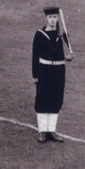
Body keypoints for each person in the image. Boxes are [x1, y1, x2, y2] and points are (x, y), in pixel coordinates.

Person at [32, 7, 74, 143]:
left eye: (55, 17)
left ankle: (51, 130)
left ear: (58, 19)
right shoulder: (39, 34)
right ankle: (42, 131)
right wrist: (35, 75)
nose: (52, 20)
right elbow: (35, 56)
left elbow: (69, 50)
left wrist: (70, 54)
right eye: (50, 17)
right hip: (44, 70)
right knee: (43, 98)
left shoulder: (61, 35)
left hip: (59, 70)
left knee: (56, 98)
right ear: (46, 19)